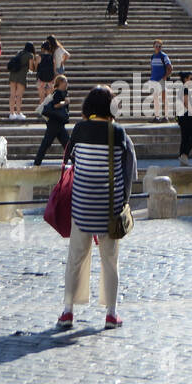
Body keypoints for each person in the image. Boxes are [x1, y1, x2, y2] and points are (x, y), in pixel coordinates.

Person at [57, 86, 137, 330]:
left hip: (82, 206)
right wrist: (124, 201)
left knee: (75, 259)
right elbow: (129, 171)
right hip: (109, 208)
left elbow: (70, 159)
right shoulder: (119, 132)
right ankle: (111, 314)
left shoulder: (79, 129)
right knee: (110, 261)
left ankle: (68, 311)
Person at [33, 75, 70, 165]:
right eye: (65, 82)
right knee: (47, 144)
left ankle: (74, 162)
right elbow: (55, 105)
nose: (67, 84)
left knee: (66, 144)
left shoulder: (61, 92)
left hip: (57, 123)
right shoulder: (58, 93)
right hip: (55, 123)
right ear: (60, 83)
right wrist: (65, 102)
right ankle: (37, 163)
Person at [6, 42, 36, 120]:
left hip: (13, 75)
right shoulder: (30, 55)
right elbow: (31, 68)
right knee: (19, 96)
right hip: (21, 76)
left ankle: (11, 113)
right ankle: (18, 113)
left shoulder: (19, 53)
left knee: (12, 95)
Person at [176, 71, 192, 164]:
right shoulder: (185, 88)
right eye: (190, 79)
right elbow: (186, 102)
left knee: (185, 137)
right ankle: (184, 155)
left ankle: (183, 158)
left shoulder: (182, 88)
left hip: (181, 116)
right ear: (185, 79)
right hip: (186, 116)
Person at [149, 39, 172, 120]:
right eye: (156, 46)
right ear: (153, 46)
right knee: (155, 99)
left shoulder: (164, 56)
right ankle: (157, 116)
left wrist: (165, 76)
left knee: (164, 98)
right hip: (154, 80)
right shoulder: (152, 56)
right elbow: (152, 68)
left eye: (160, 46)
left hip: (161, 79)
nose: (158, 47)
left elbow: (170, 67)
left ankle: (166, 116)